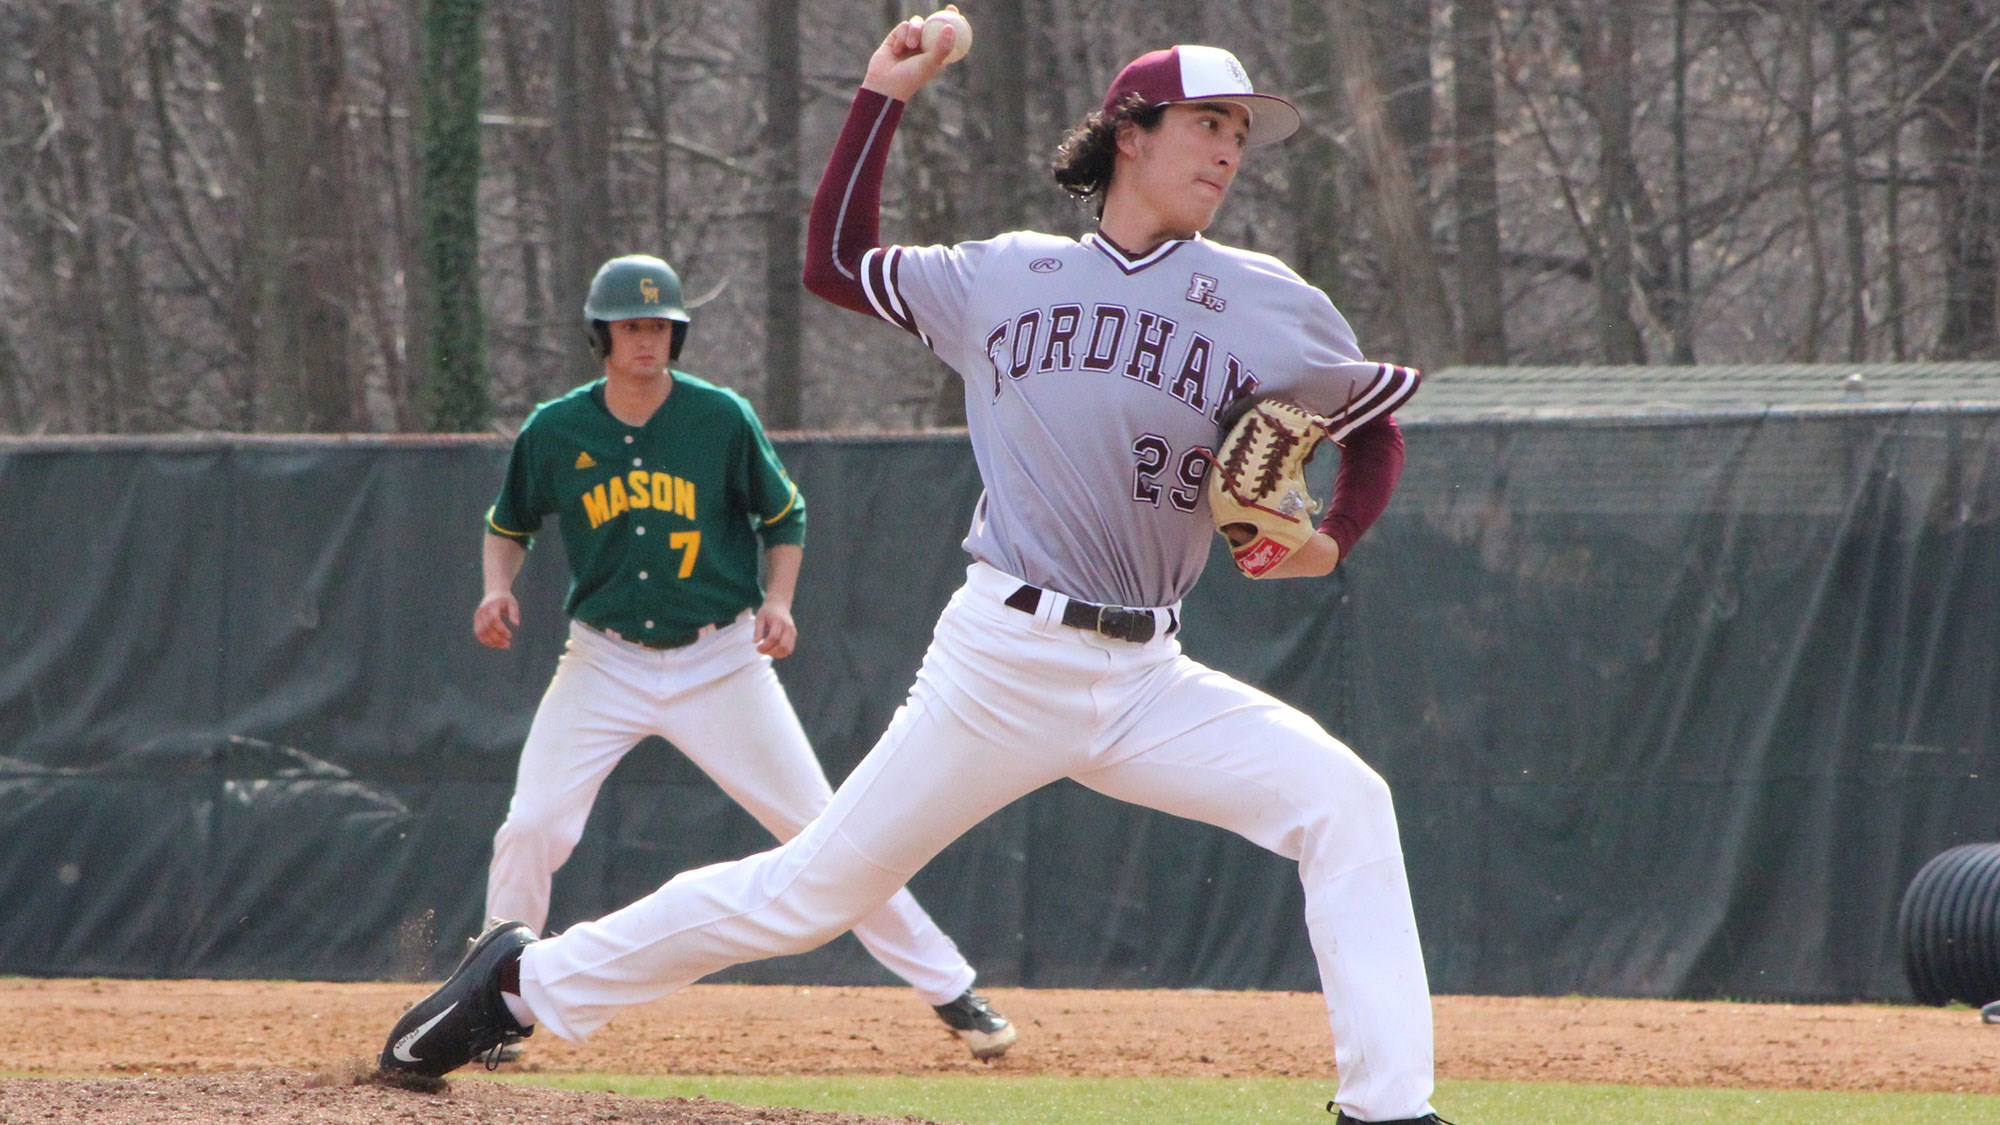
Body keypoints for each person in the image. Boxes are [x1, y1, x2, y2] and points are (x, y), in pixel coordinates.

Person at [381, 23, 1444, 1125]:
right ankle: (519, 982)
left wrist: (1330, 541)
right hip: (1005, 658)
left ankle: (1387, 1110)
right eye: (1205, 124)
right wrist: (880, 97)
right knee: (807, 893)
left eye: (1238, 133)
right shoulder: (1004, 275)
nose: (1227, 150)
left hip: (1148, 678)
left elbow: (1373, 425)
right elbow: (831, 267)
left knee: (1344, 803)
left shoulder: (1270, 302)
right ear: (1130, 135)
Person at [457, 251, 1015, 1063]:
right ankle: (491, 1000)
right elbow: (510, 523)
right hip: (602, 662)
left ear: (675, 336)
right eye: (630, 325)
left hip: (719, 660)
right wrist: (494, 588)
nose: (646, 339)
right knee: (533, 824)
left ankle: (949, 987)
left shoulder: (719, 417)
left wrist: (779, 600)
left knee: (830, 832)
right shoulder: (556, 428)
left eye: (660, 325)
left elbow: (782, 516)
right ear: (600, 334)